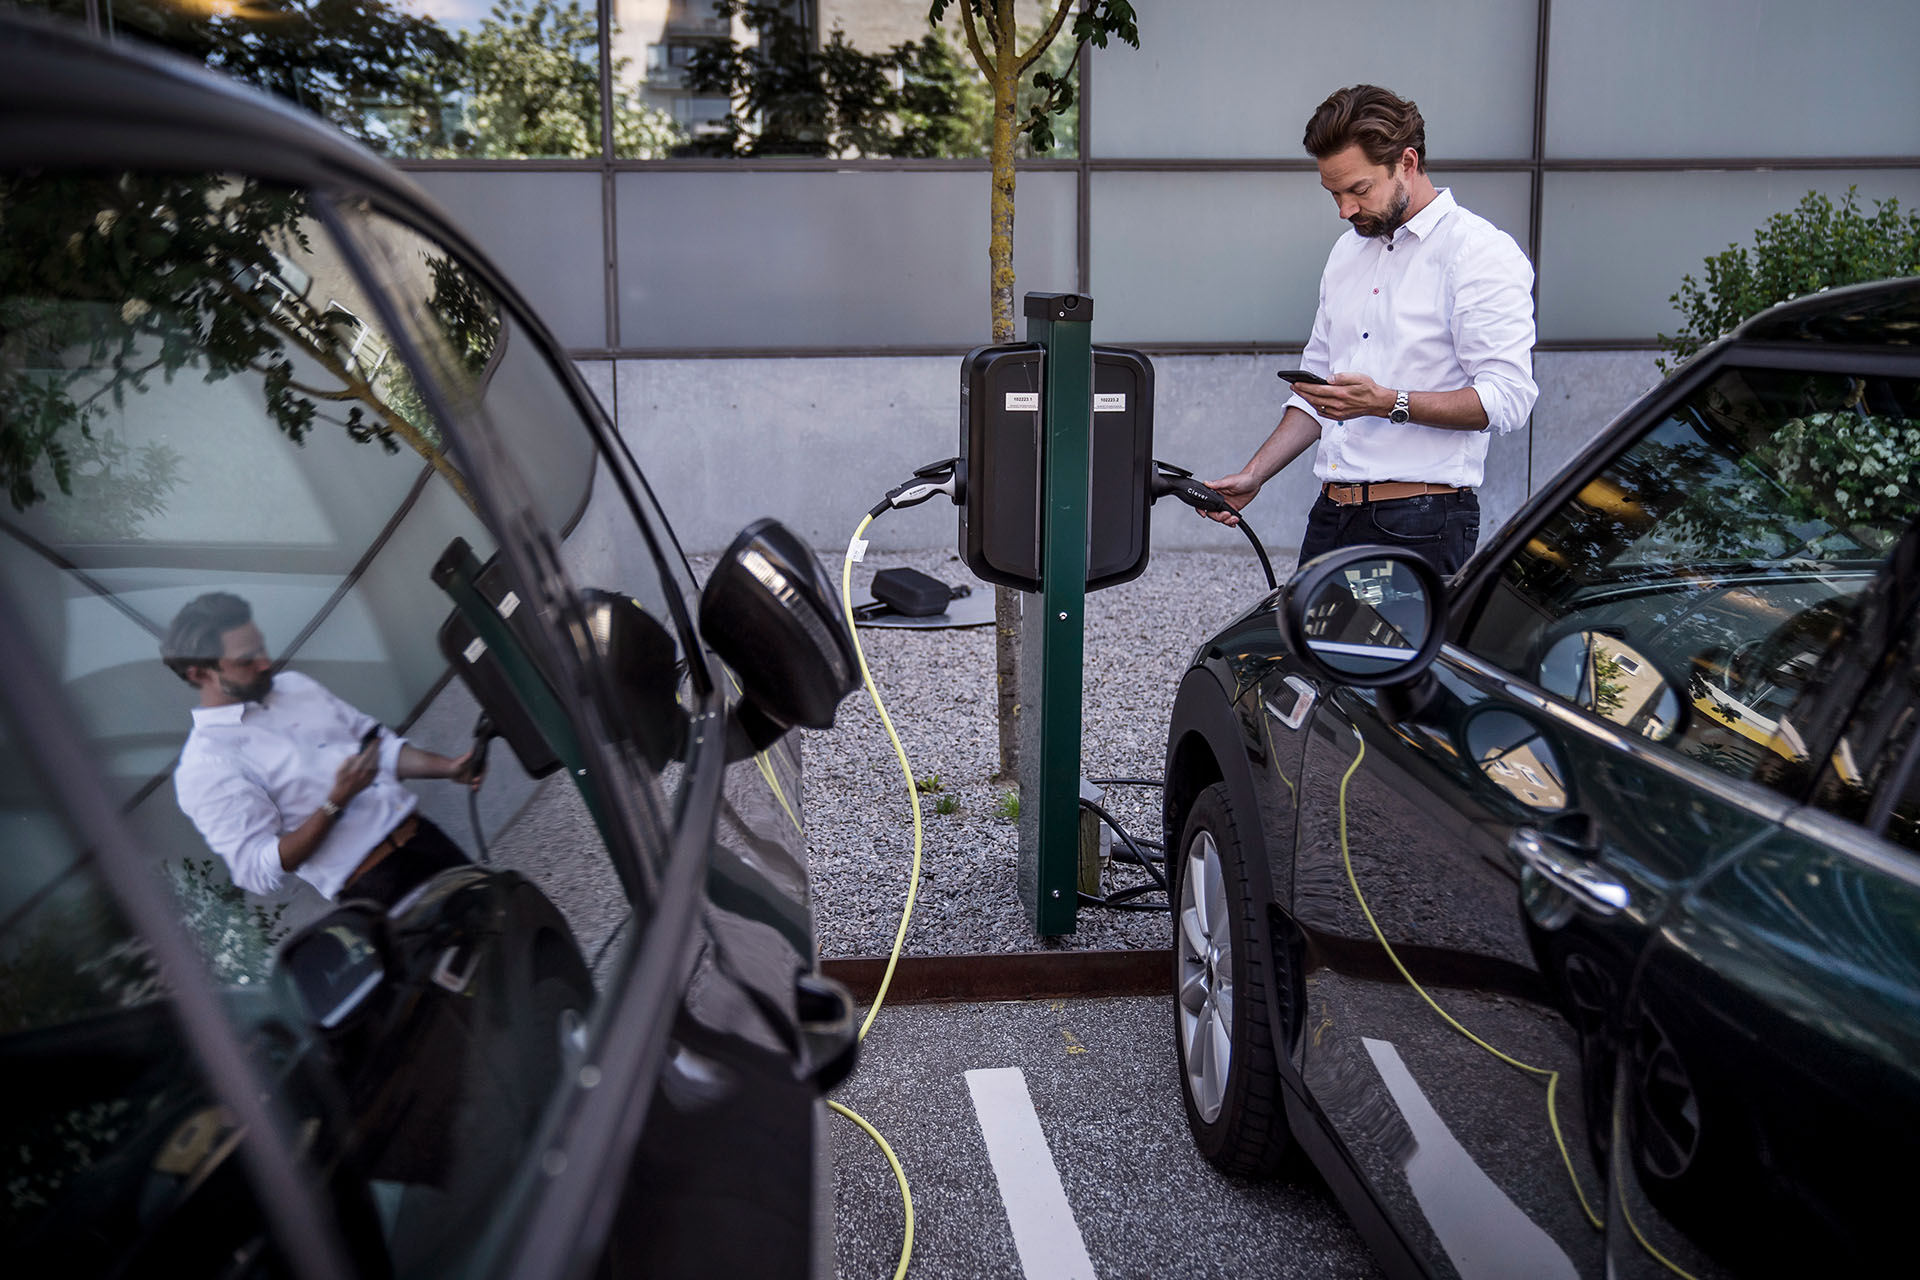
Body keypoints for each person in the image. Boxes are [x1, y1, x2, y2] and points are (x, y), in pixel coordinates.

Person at [1206, 84, 1538, 576]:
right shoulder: (1346, 252)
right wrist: (1256, 474)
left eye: (1358, 190)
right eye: (1333, 193)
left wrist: (1387, 402)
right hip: (1331, 513)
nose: (1344, 210)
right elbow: (1318, 391)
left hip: (1422, 521)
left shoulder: (1478, 253)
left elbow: (1509, 399)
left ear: (1407, 162)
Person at [164, 591, 483, 907]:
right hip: (375, 885)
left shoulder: (294, 686)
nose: (264, 663)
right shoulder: (206, 764)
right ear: (200, 674)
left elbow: (378, 749)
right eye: (246, 660)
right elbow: (257, 869)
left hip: (425, 838)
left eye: (261, 647)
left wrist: (449, 768)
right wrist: (336, 801)